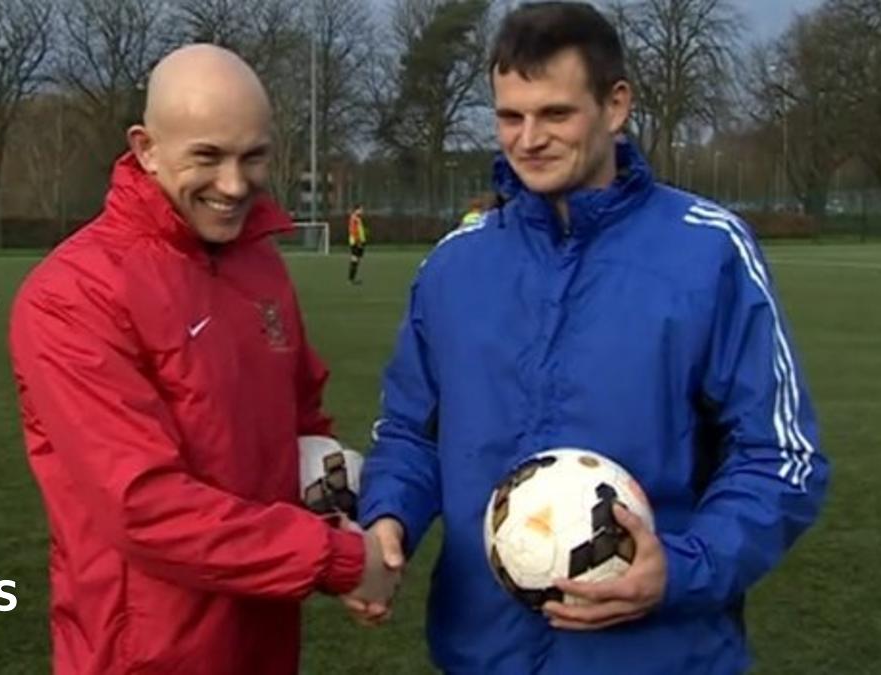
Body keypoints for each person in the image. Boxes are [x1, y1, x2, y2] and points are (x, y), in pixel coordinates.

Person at [354, 3, 829, 673]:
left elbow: (783, 457)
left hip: (660, 656)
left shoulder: (707, 252)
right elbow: (410, 434)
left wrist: (683, 568)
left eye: (555, 114)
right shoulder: (455, 266)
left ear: (615, 105)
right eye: (509, 116)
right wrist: (389, 517)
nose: (527, 139)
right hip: (481, 653)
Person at [8, 44, 397, 675]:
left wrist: (347, 512)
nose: (235, 184)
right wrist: (339, 562)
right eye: (208, 157)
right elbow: (145, 507)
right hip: (145, 654)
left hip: (264, 638)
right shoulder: (72, 296)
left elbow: (300, 425)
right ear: (146, 148)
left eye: (254, 156)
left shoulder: (260, 264)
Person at [347, 204, 367, 284]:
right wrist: (358, 241)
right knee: (354, 259)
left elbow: (359, 230)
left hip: (359, 242)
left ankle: (352, 279)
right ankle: (351, 279)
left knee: (356, 260)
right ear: (356, 210)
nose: (362, 211)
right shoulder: (354, 218)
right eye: (361, 209)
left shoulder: (357, 218)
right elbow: (353, 231)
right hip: (356, 242)